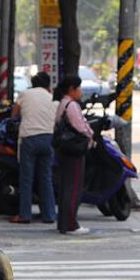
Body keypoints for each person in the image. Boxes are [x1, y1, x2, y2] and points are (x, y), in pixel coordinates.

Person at [9, 71, 57, 224]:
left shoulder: (25, 94)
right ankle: (49, 215)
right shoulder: (52, 98)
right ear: (48, 85)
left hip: (29, 139)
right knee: (46, 178)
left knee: (26, 179)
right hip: (48, 139)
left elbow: (14, 115)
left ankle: (25, 215)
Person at [53, 75, 94, 236]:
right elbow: (81, 127)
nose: (81, 92)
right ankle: (71, 224)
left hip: (64, 150)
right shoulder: (71, 105)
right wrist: (91, 135)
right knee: (74, 187)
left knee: (66, 186)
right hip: (74, 151)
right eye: (79, 88)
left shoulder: (63, 103)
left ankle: (64, 223)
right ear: (72, 89)